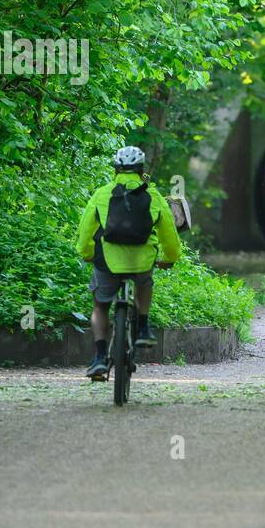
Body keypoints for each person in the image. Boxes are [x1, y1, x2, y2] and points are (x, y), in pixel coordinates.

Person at [75, 146, 183, 380]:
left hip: (108, 261)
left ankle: (100, 357)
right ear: (141, 170)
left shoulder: (102, 193)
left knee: (100, 306)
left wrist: (86, 253)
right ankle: (143, 327)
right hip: (141, 261)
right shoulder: (153, 195)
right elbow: (169, 235)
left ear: (116, 169)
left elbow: (85, 232)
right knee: (145, 282)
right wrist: (170, 259)